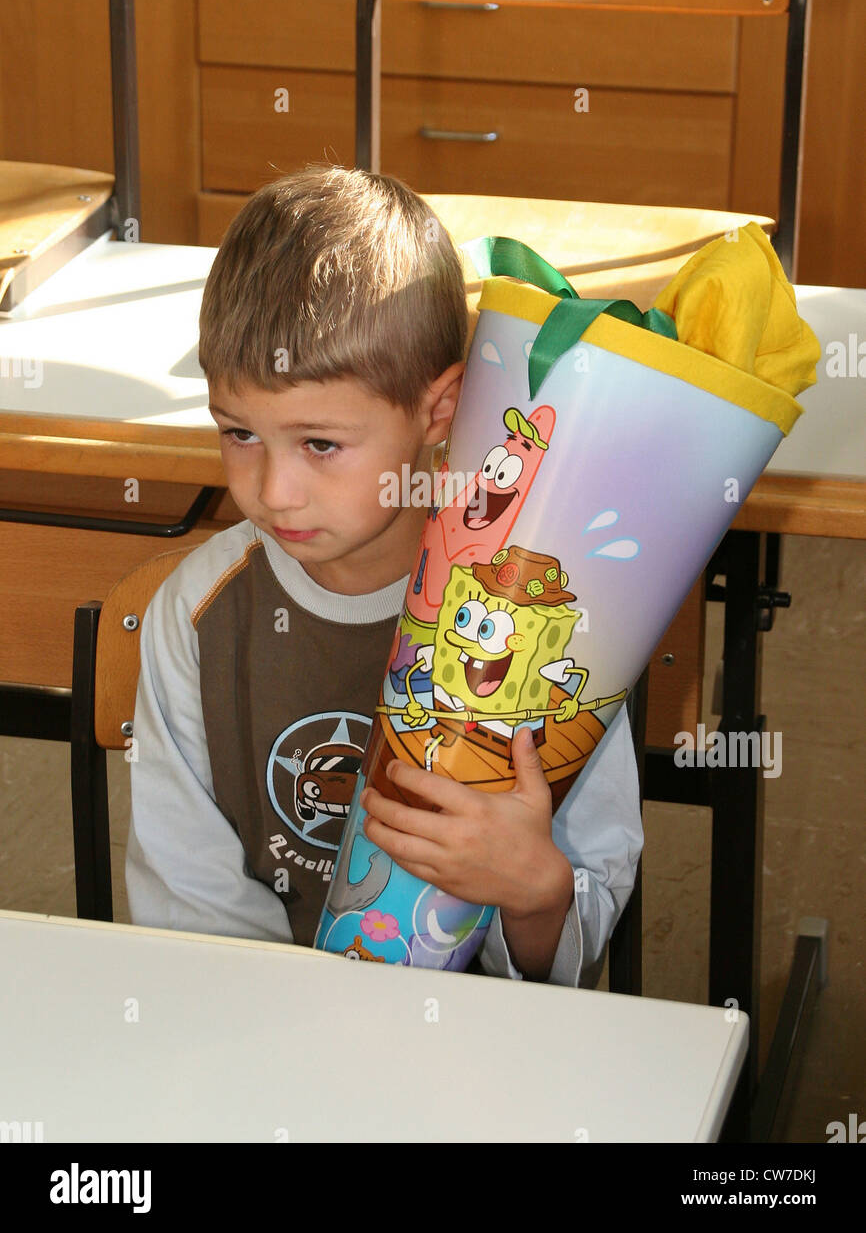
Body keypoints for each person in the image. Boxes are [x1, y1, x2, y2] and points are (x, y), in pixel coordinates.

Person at [125, 164, 643, 986]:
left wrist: (534, 891)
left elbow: (571, 945)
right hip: (256, 1040)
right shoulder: (197, 612)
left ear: (438, 413)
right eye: (239, 432)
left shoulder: (533, 625)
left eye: (320, 444)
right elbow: (187, 910)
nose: (270, 490)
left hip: (473, 1055)